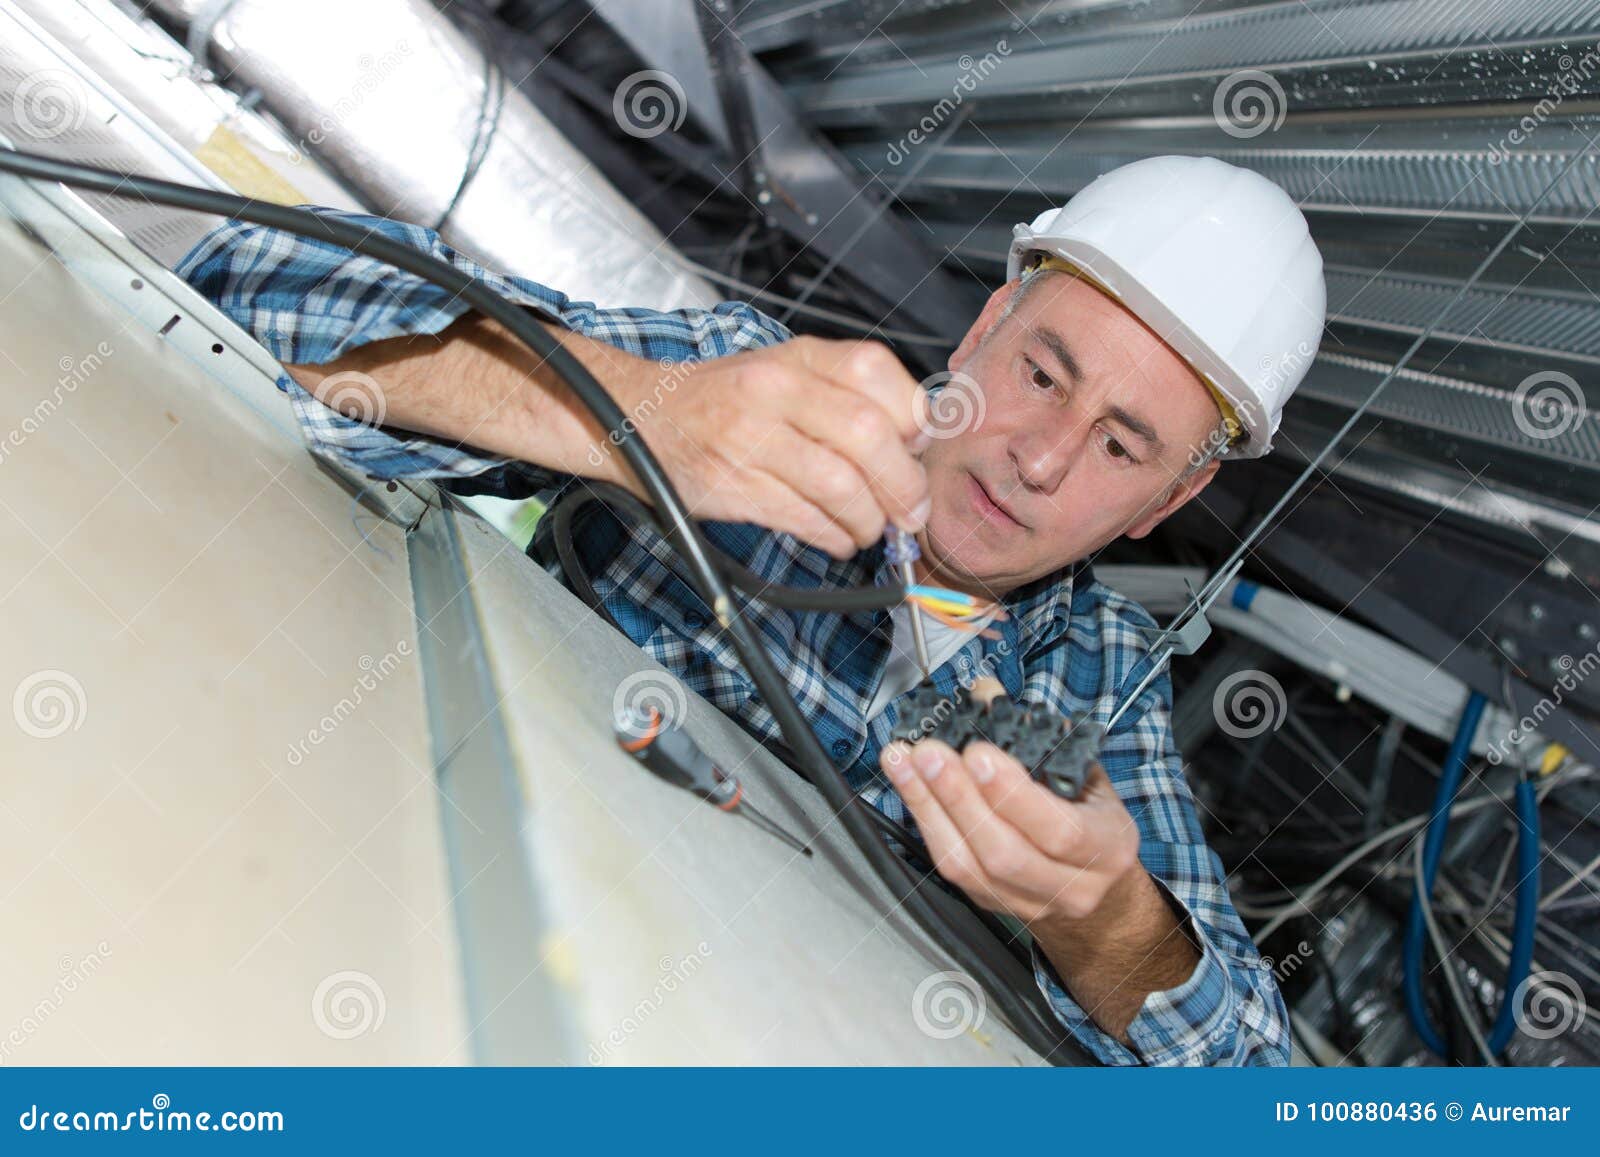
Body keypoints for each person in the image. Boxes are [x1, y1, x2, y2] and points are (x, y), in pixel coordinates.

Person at [178, 154, 1326, 1065]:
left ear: (1167, 500)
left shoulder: (1097, 673)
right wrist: (635, 409)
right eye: (1041, 372)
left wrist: (1105, 919)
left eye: (1119, 445)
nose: (1038, 458)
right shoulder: (759, 394)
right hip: (423, 929)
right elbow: (244, 280)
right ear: (983, 330)